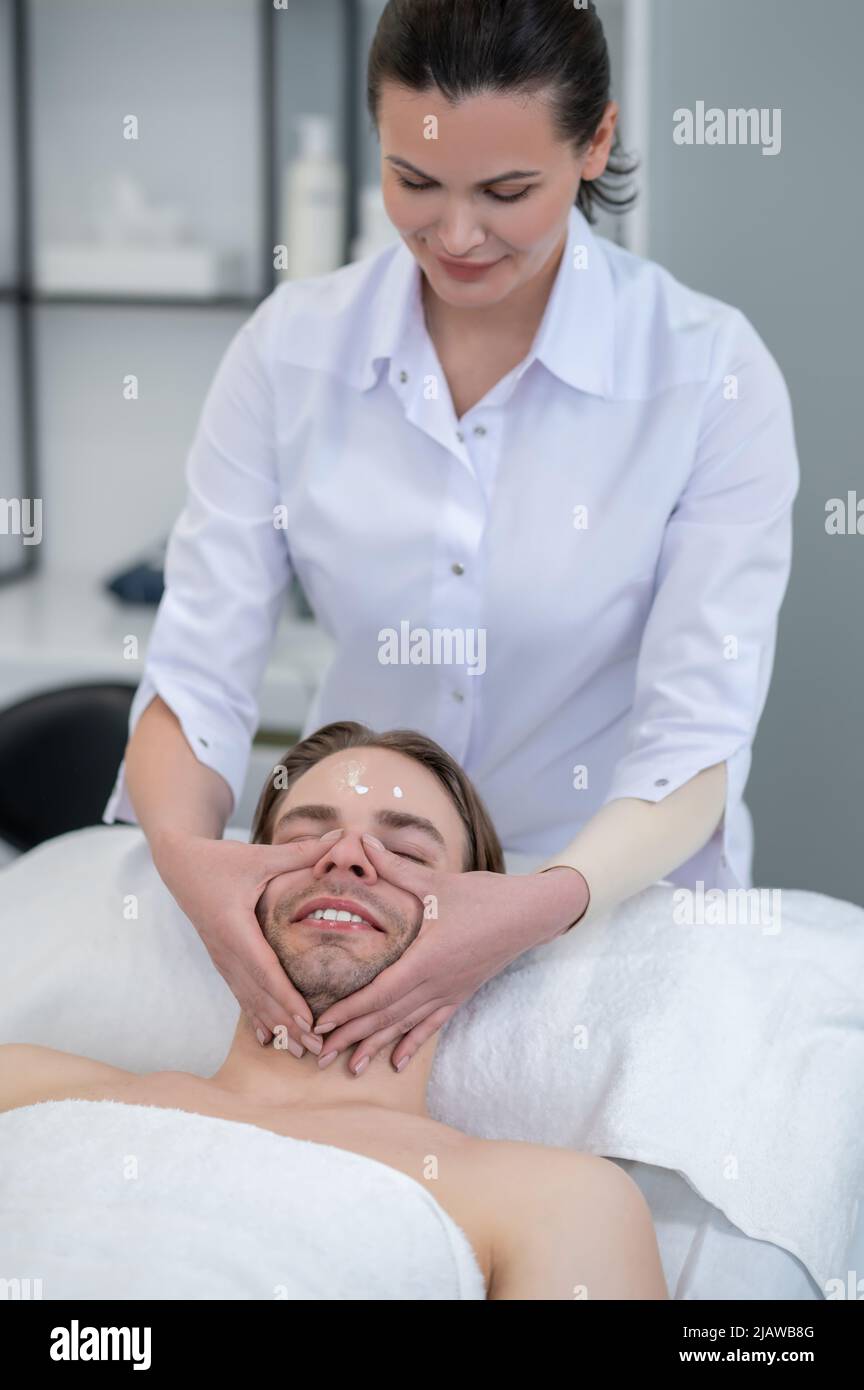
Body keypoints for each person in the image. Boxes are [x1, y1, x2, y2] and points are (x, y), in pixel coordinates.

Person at [102, 0, 799, 1074]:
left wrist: (531, 904)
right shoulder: (293, 352)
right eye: (414, 184)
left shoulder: (708, 374)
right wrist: (196, 867)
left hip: (599, 900)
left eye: (507, 192)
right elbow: (196, 677)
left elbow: (695, 741)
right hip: (347, 904)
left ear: (597, 141)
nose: (457, 236)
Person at [0, 723, 668, 1300]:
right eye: (302, 839)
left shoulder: (551, 1201)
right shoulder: (23, 1084)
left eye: (405, 852)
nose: (345, 857)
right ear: (232, 894)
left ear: (483, 924)